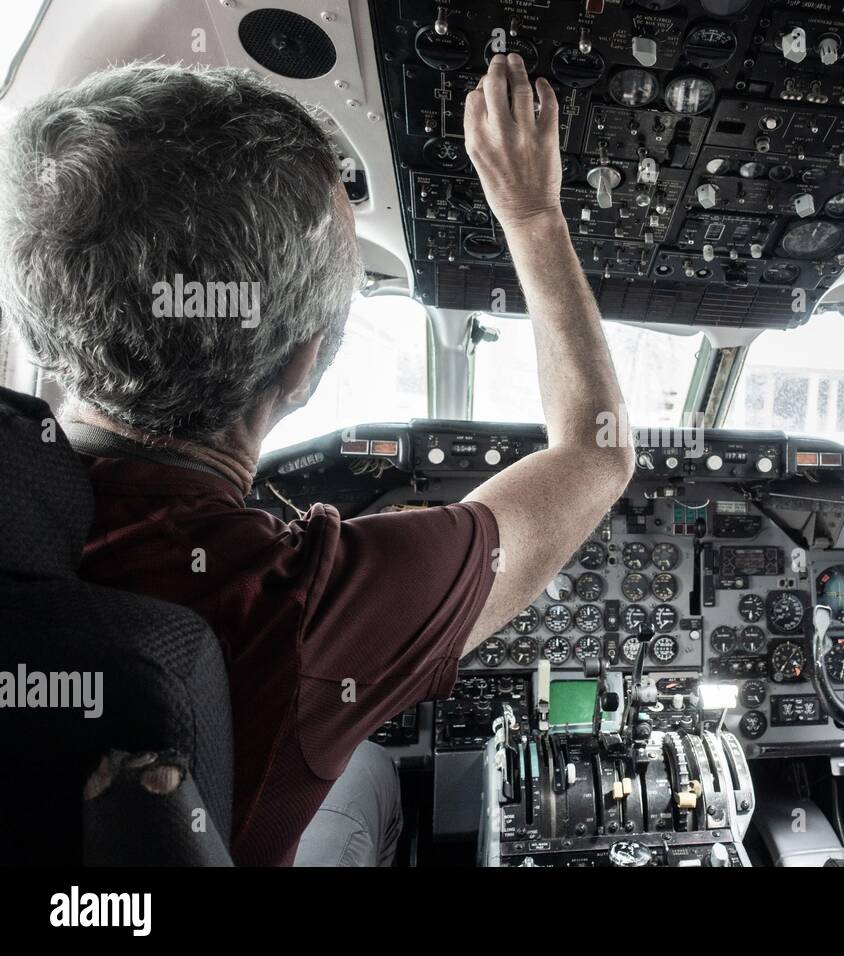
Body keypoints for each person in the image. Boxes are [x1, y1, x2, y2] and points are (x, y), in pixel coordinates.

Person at [0, 54, 634, 866]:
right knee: (365, 774)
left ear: (44, 319)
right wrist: (532, 212)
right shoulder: (294, 608)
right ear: (302, 367)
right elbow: (598, 452)